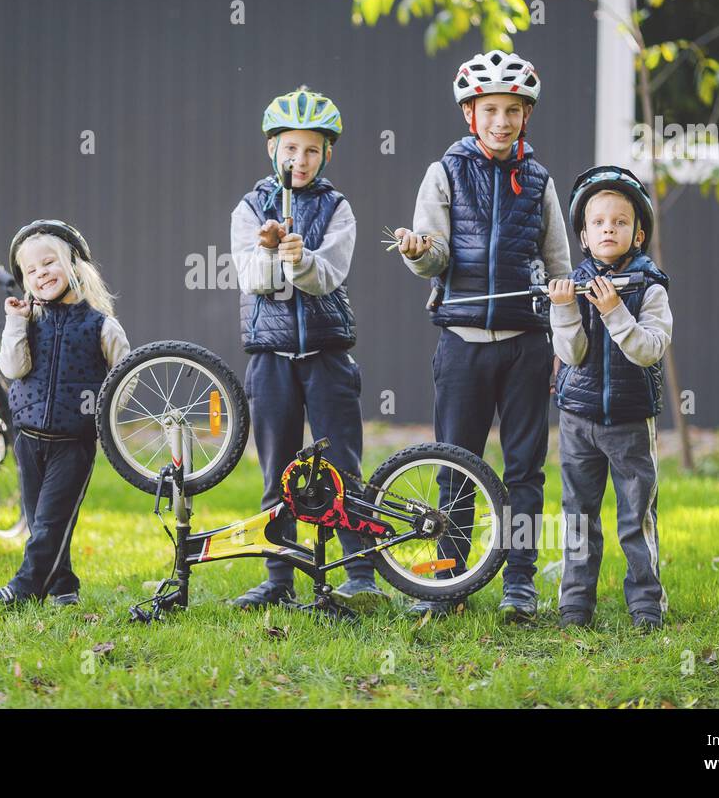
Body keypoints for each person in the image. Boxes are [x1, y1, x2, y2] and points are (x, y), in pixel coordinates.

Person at [392, 50, 571, 621]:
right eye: (490, 109)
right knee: (456, 465)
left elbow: (559, 264)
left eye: (513, 110)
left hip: (526, 345)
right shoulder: (443, 173)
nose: (502, 121)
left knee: (524, 469)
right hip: (462, 344)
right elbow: (436, 252)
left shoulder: (539, 181)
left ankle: (520, 582)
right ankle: (453, 579)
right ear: (470, 114)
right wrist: (420, 254)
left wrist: (565, 330)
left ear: (526, 115)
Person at [228, 87, 387, 612]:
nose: (300, 159)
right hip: (270, 357)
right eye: (290, 148)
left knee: (342, 465)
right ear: (271, 148)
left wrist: (300, 260)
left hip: (327, 353)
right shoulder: (250, 208)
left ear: (327, 155)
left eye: (312, 150)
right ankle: (281, 576)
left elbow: (329, 276)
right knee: (278, 469)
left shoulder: (337, 208)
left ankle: (359, 573)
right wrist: (271, 250)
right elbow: (251, 278)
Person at [0, 220, 129, 609]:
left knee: (49, 524)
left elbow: (126, 376)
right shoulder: (28, 320)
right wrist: (15, 322)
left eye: (49, 263)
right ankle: (64, 587)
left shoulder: (101, 325)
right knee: (41, 521)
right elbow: (13, 368)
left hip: (72, 443)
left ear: (74, 263)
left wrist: (105, 414)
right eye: (31, 270)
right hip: (27, 439)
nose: (41, 273)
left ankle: (23, 589)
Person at [548, 166, 672, 631]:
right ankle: (575, 605)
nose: (608, 229)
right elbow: (573, 354)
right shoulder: (573, 283)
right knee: (579, 515)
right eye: (598, 222)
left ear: (638, 233)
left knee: (635, 517)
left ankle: (645, 605)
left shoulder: (650, 287)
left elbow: (647, 350)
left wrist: (615, 311)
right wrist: (564, 309)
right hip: (578, 418)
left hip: (630, 420)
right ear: (583, 233)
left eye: (620, 222)